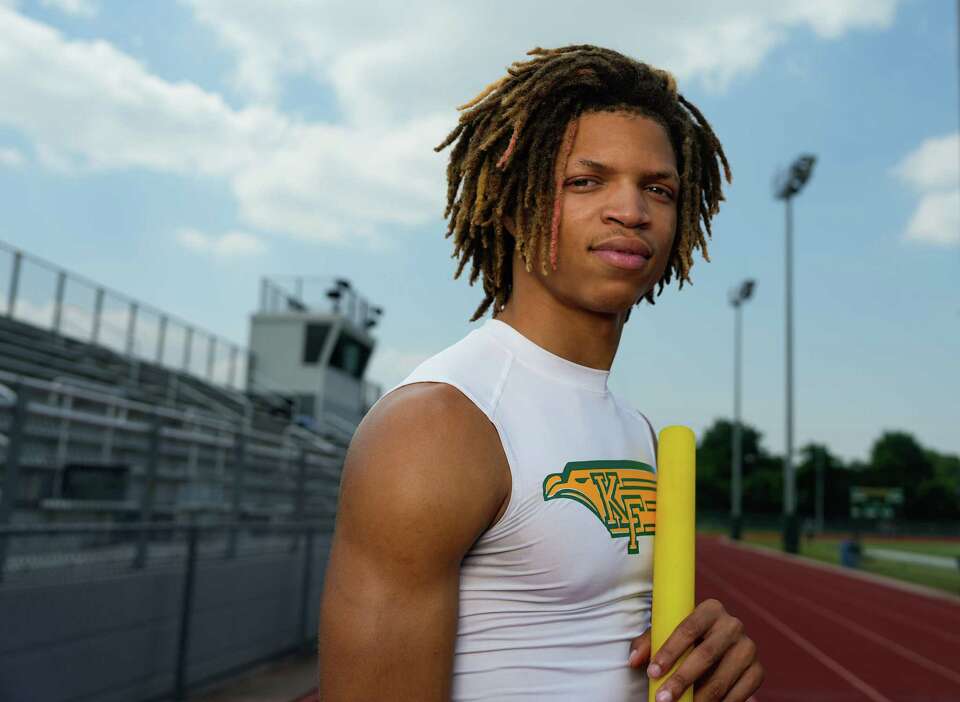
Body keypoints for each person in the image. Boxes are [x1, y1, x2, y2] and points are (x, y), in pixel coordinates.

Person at [319, 45, 763, 701]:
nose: (630, 211)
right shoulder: (437, 426)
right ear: (509, 202)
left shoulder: (637, 431)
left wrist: (706, 660)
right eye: (586, 181)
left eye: (658, 188)